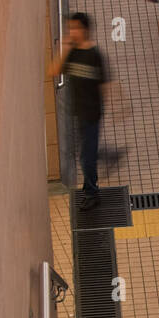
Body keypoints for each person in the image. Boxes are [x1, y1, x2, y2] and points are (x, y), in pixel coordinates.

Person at [48, 12, 110, 211]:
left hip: (91, 115)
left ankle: (92, 194)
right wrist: (64, 49)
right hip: (77, 113)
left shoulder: (95, 55)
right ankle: (102, 160)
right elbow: (54, 71)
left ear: (85, 30)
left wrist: (112, 106)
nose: (72, 32)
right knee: (84, 154)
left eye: (75, 28)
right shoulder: (72, 52)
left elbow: (104, 84)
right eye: (70, 29)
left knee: (85, 158)